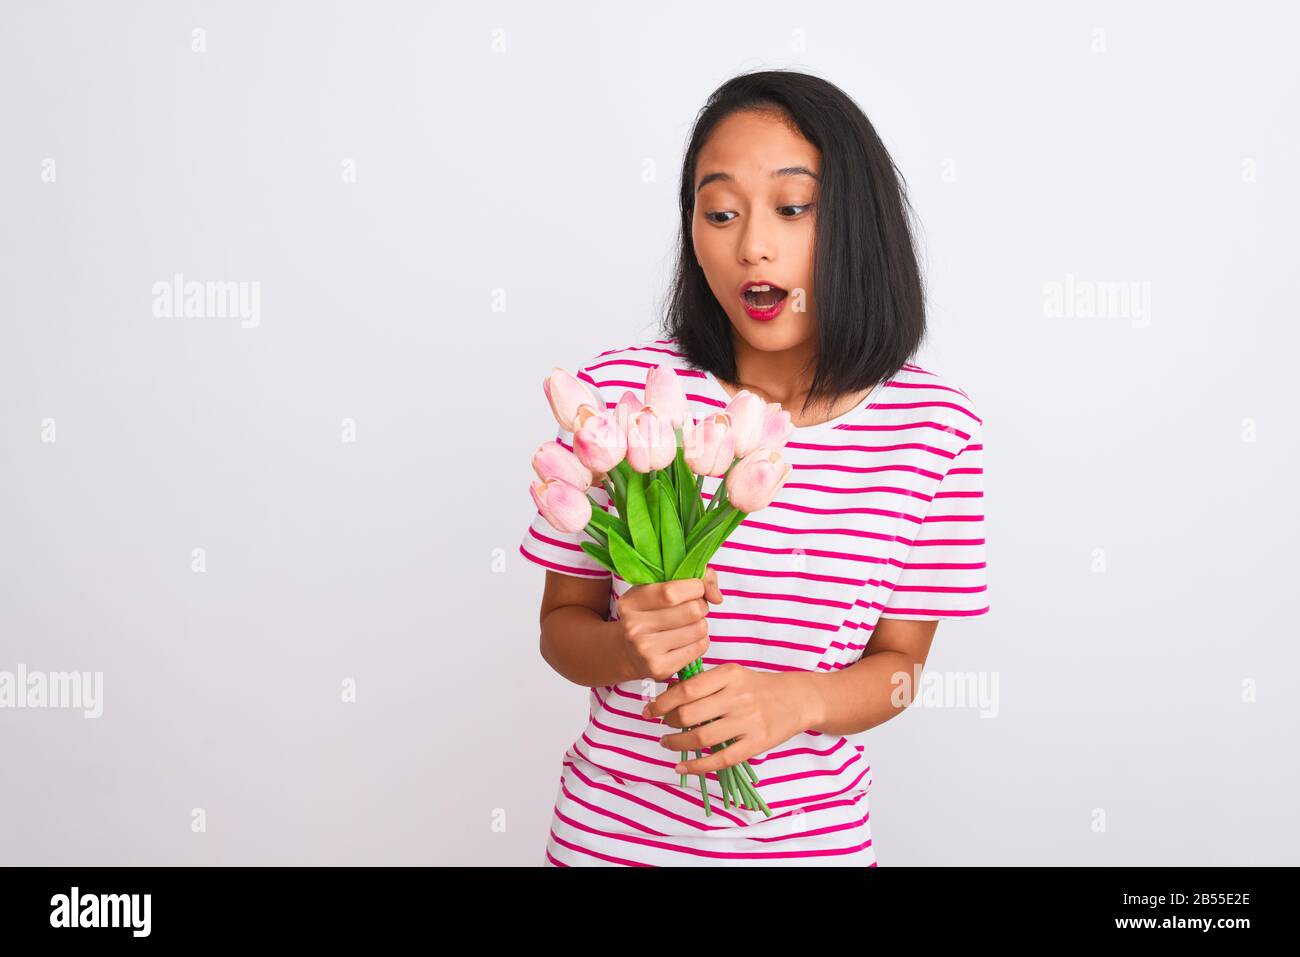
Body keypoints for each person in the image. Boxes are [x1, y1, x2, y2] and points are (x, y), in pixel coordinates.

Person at [519, 69, 989, 866]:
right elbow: (559, 632)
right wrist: (629, 650)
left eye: (792, 208)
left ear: (857, 227)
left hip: (813, 849)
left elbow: (902, 670)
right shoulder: (624, 397)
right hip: (608, 844)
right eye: (720, 212)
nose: (752, 246)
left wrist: (799, 698)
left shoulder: (934, 428)